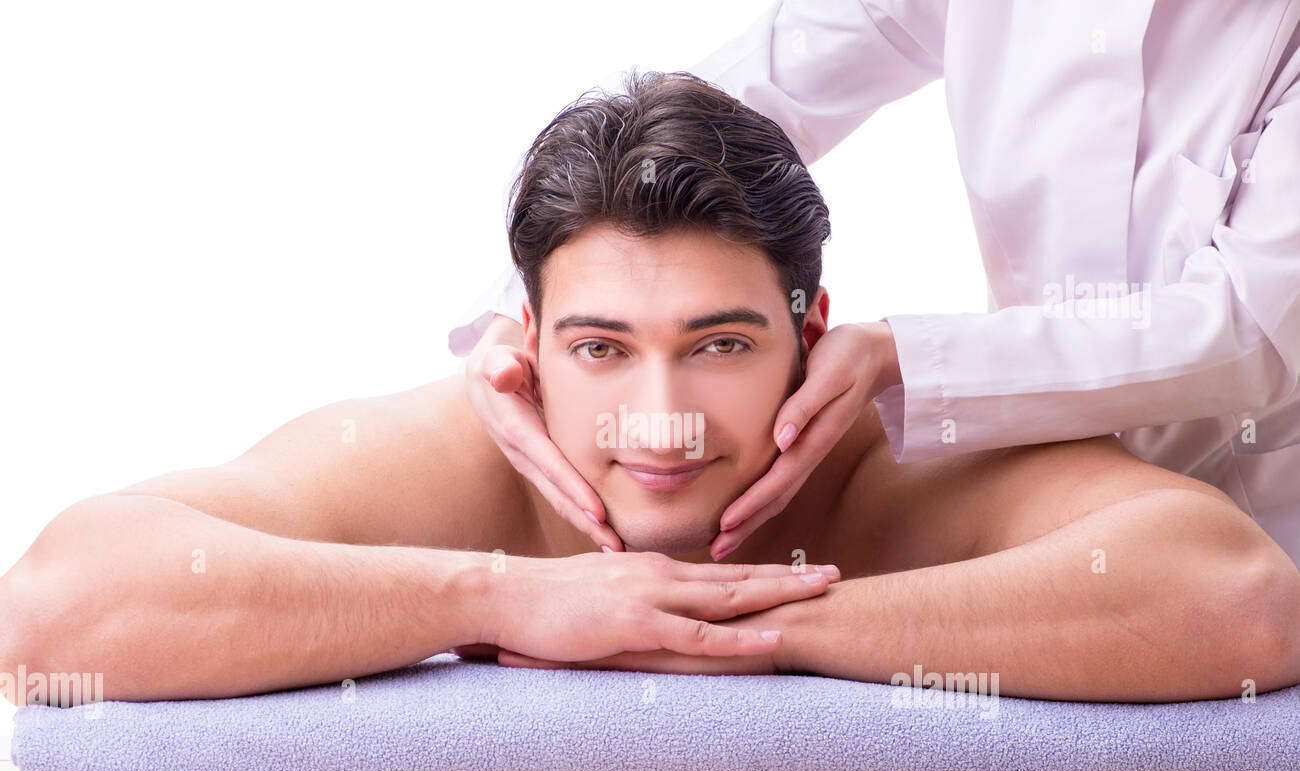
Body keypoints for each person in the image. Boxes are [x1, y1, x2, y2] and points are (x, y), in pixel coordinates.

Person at [2, 73, 1296, 706]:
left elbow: (1241, 600)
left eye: (723, 345)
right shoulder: (458, 456)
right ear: (524, 347)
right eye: (602, 349)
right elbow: (51, 610)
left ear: (812, 335)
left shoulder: (902, 455)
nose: (661, 415)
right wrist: (506, 594)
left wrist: (747, 626)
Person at [454, 0, 1300, 567]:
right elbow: (762, 87)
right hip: (1063, 499)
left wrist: (900, 358)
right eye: (600, 346)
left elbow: (1248, 330)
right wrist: (520, 299)